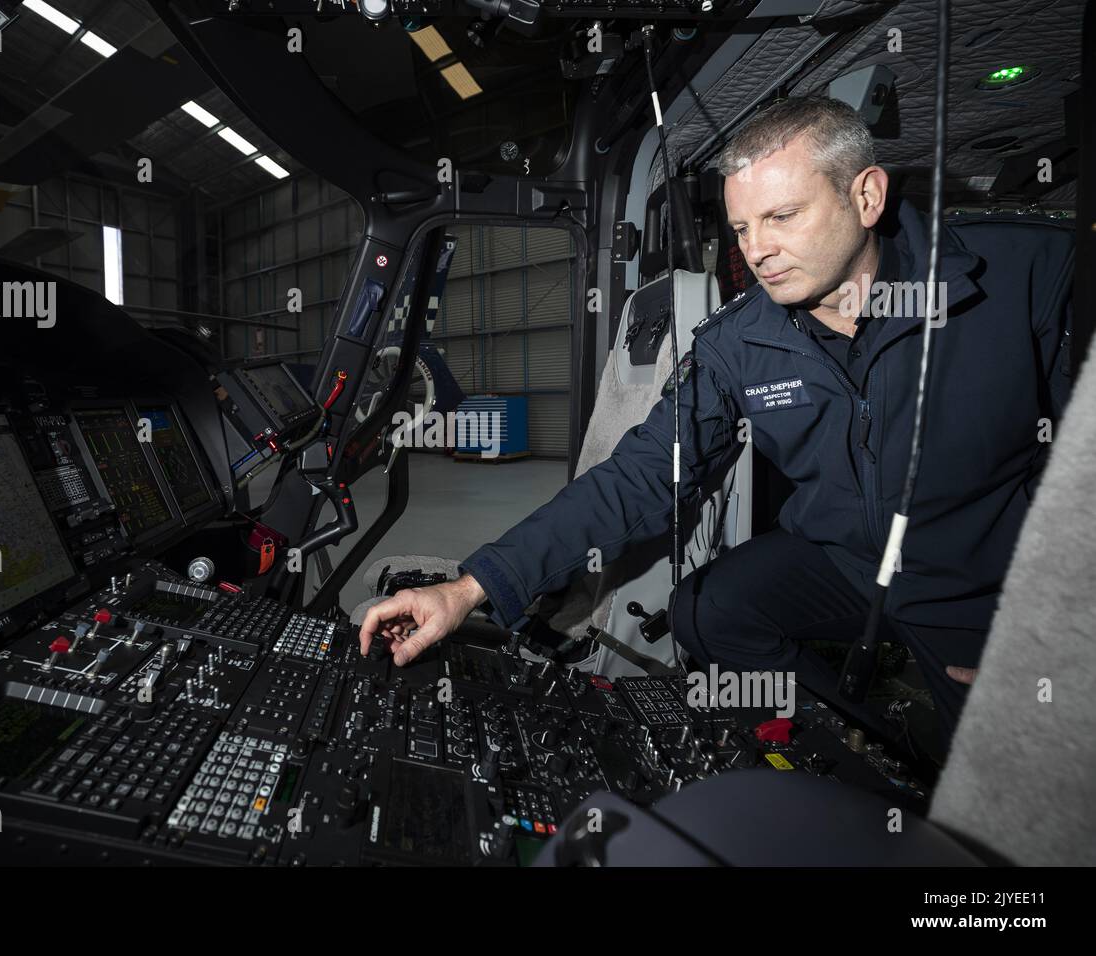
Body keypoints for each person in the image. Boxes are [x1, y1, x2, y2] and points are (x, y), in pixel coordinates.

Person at [358, 96, 1074, 750]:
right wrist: (468, 589)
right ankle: (868, 749)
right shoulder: (738, 343)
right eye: (740, 226)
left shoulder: (1022, 275)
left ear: (866, 195)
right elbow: (639, 478)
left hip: (983, 584)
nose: (756, 249)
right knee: (706, 609)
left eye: (782, 216)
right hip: (848, 561)